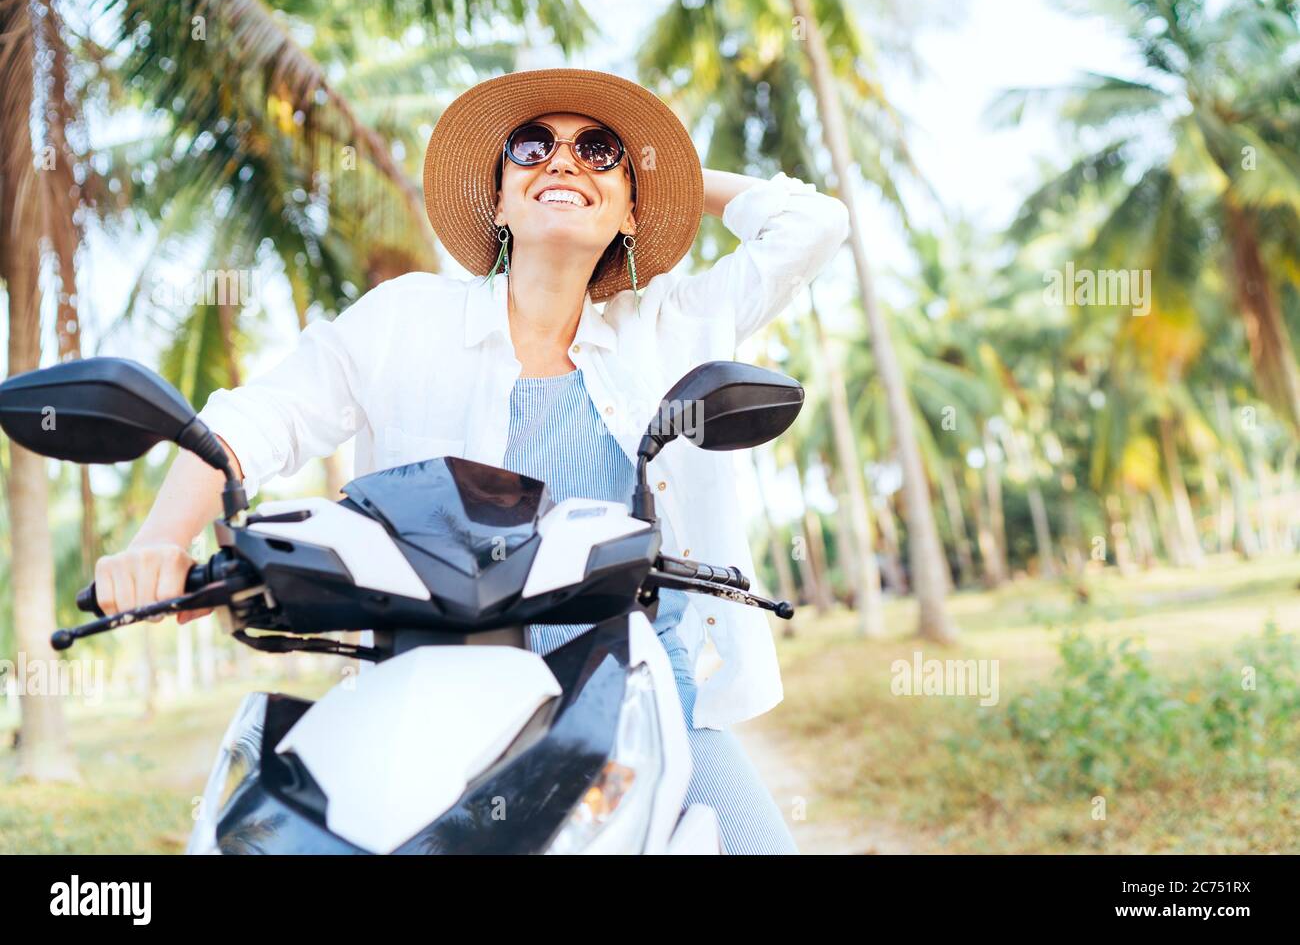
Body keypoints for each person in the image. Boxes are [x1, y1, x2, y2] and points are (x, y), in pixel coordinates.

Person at [91, 67, 850, 854]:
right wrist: (160, 540)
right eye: (532, 147)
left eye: (598, 151)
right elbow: (253, 420)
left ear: (631, 209)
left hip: (641, 708)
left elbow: (815, 225)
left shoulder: (670, 325)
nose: (562, 162)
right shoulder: (405, 320)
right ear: (498, 200)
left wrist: (671, 177)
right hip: (428, 714)